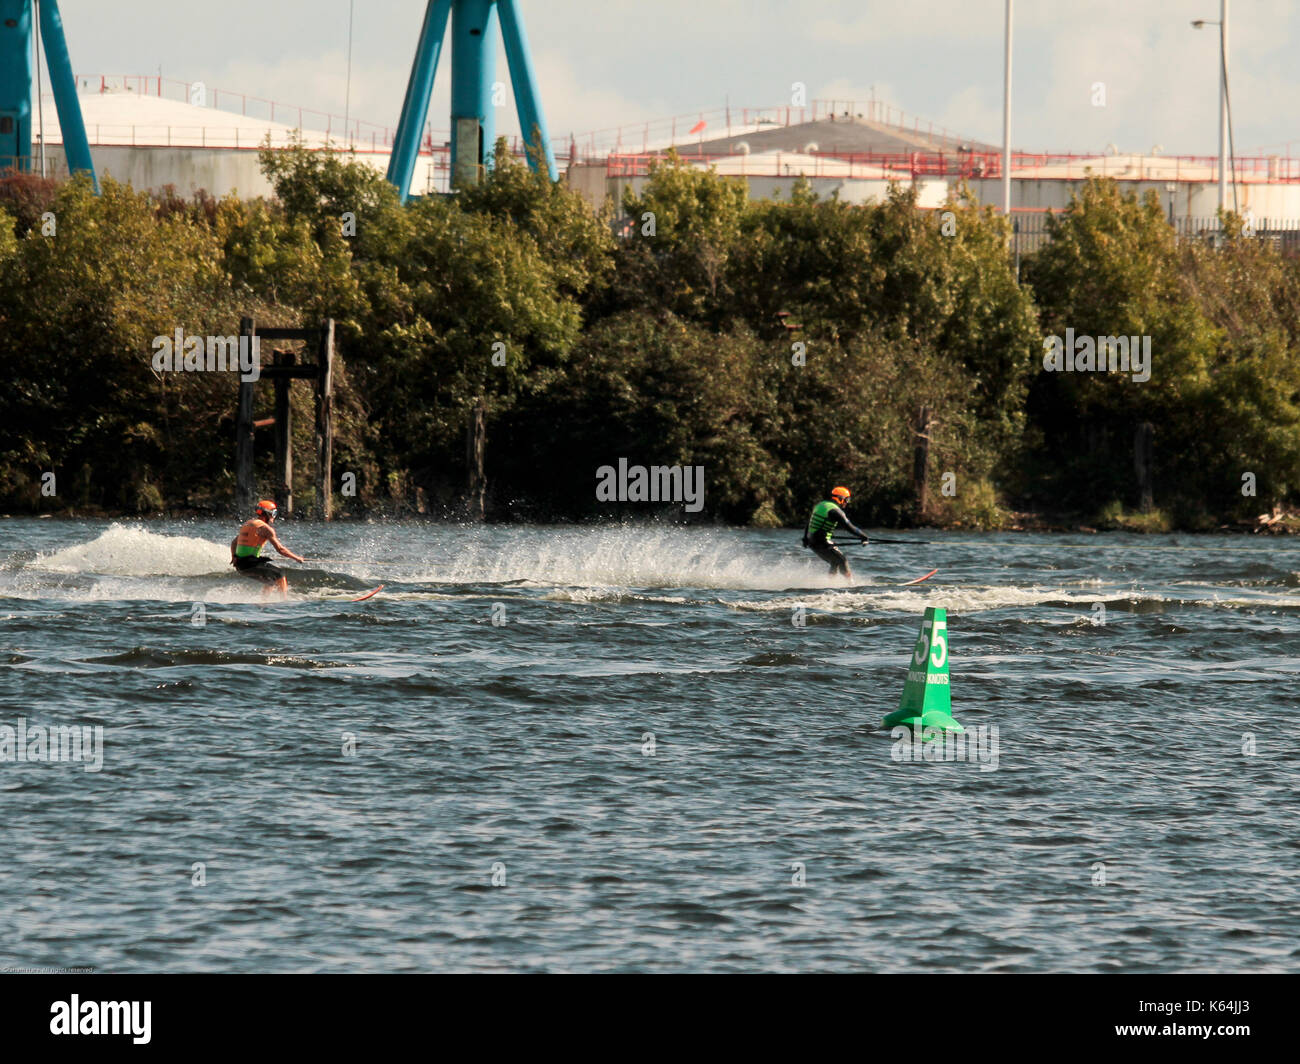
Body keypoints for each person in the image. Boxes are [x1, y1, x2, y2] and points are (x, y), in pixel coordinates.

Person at [230, 500, 304, 597]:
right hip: (250, 564)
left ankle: (264, 601)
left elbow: (234, 542)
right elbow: (280, 549)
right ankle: (284, 601)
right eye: (274, 514)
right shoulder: (266, 528)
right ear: (268, 514)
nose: (274, 517)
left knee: (271, 580)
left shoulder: (248, 524)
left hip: (240, 565)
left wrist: (234, 557)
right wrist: (297, 558)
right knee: (280, 574)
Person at [802, 486, 869, 580]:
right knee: (842, 560)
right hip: (821, 542)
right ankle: (850, 584)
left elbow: (810, 523)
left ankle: (830, 582)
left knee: (835, 562)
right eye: (847, 500)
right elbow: (849, 527)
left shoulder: (820, 505)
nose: (847, 503)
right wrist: (863, 536)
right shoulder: (835, 511)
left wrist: (805, 538)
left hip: (811, 541)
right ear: (840, 498)